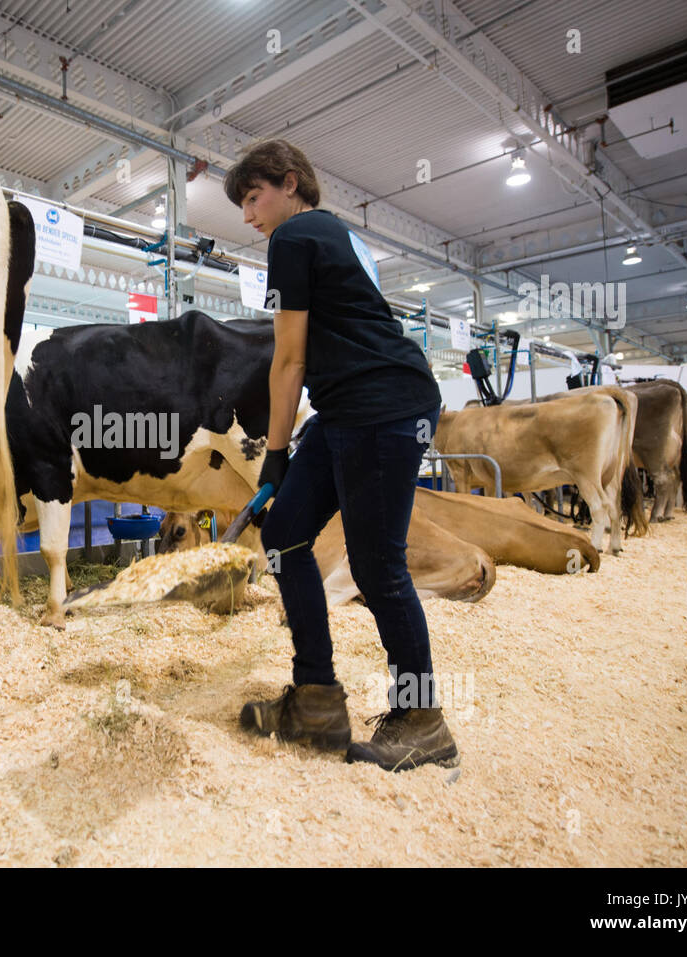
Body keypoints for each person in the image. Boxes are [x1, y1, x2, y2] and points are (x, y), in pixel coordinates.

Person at [223, 139, 459, 772]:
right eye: (244, 204)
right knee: (285, 532)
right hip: (350, 406)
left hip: (381, 403)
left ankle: (423, 722)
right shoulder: (342, 239)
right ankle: (317, 700)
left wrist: (274, 454)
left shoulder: (293, 240)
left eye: (254, 197)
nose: (249, 216)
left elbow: (289, 358)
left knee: (378, 566)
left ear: (290, 183)